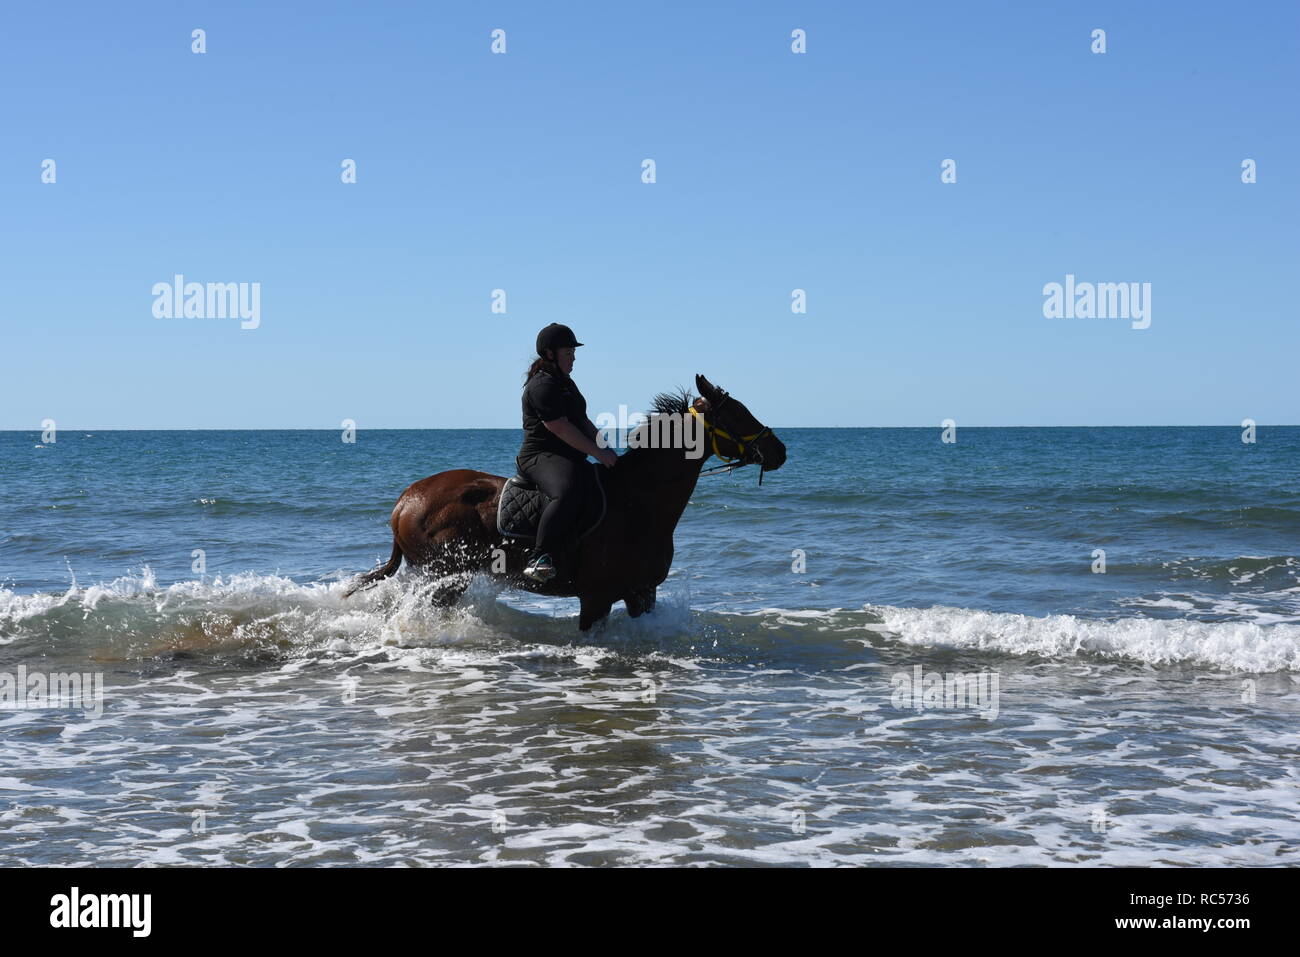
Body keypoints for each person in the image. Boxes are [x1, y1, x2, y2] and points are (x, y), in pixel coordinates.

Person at [517, 323, 618, 583]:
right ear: (550, 354)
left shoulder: (567, 383)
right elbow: (559, 427)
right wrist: (596, 452)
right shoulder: (542, 385)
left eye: (574, 354)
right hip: (539, 456)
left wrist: (609, 452)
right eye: (568, 354)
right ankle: (539, 557)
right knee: (566, 491)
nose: (573, 359)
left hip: (568, 455)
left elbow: (583, 422)